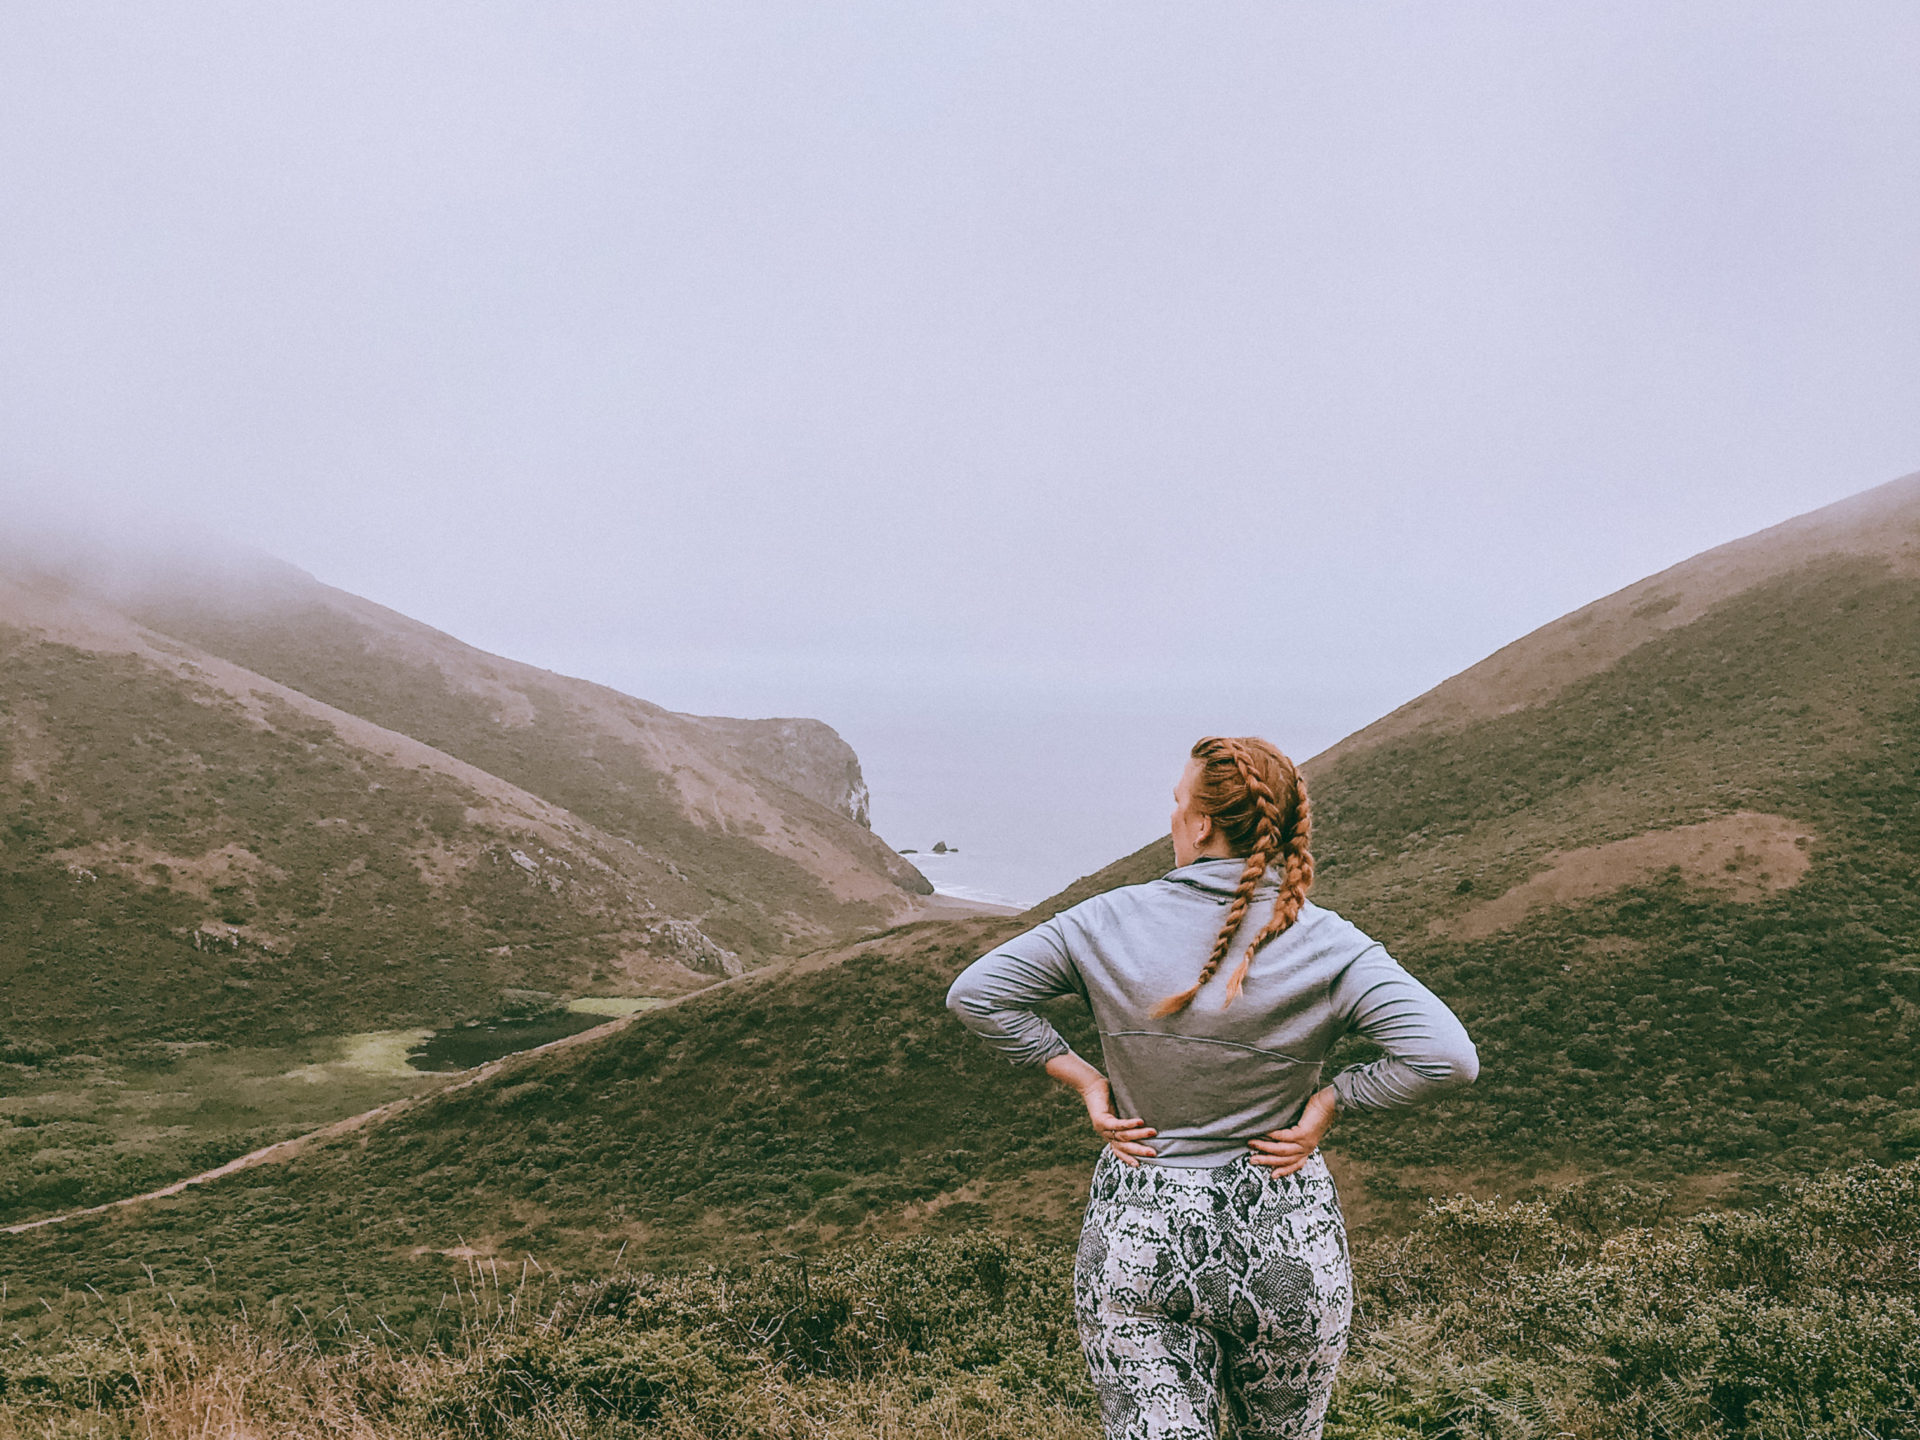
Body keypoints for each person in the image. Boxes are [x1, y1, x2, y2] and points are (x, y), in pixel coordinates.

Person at [946, 736, 1478, 1440]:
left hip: (1139, 1234)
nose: (1173, 817)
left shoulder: (1104, 920)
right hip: (1284, 1239)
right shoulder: (1332, 945)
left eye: (1177, 802)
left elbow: (976, 995)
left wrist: (1085, 1080)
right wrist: (1331, 1101)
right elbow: (1446, 1057)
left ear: (1200, 824)